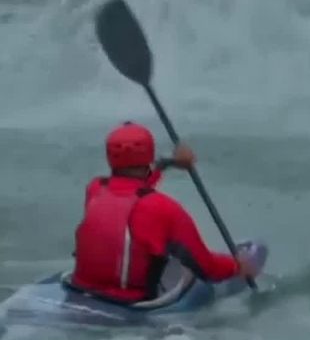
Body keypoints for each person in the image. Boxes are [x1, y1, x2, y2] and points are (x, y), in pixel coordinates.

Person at [70, 121, 259, 304]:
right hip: (132, 304)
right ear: (149, 154)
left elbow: (132, 188)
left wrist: (169, 163)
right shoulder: (165, 208)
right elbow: (206, 266)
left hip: (80, 290)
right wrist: (236, 267)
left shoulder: (95, 189)